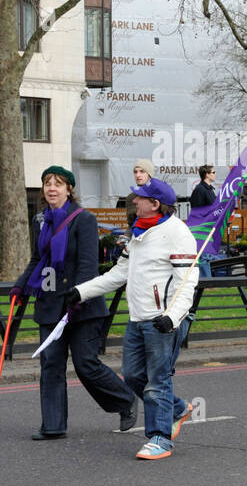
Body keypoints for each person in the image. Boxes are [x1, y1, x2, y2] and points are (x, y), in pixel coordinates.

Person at [69, 178, 200, 460]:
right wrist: (81, 292)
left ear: (155, 204)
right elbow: (119, 274)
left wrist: (172, 316)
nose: (134, 200)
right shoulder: (139, 232)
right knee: (132, 376)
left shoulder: (178, 233)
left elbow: (186, 282)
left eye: (139, 197)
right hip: (138, 318)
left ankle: (160, 439)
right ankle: (177, 409)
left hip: (162, 321)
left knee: (157, 380)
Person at [12, 166, 136, 440]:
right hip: (49, 303)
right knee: (51, 364)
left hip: (82, 304)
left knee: (85, 364)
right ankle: (53, 426)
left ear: (69, 189)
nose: (51, 188)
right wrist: (22, 283)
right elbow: (37, 259)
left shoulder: (84, 220)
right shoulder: (40, 220)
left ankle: (125, 401)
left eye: (58, 183)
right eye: (47, 183)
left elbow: (88, 265)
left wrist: (78, 295)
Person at [190, 165, 218, 277]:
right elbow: (198, 211)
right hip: (202, 229)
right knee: (204, 256)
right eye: (213, 172)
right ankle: (205, 281)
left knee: (207, 256)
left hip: (208, 228)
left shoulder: (209, 189)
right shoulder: (200, 190)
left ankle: (207, 281)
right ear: (207, 174)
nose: (215, 174)